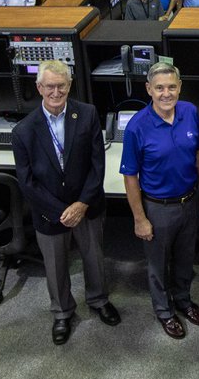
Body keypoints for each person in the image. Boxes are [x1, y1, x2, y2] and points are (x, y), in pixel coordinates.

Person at [12, 60, 120, 345]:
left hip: (87, 206)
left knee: (94, 257)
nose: (56, 92)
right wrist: (62, 211)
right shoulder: (24, 130)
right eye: (50, 86)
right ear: (39, 88)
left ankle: (98, 300)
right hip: (50, 213)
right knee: (56, 265)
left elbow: (98, 165)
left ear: (70, 85)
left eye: (61, 85)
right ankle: (62, 312)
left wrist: (82, 204)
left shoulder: (86, 115)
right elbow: (27, 182)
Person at [120, 63, 199, 339]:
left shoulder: (190, 112)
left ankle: (183, 300)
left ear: (180, 87)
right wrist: (140, 219)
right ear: (149, 89)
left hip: (190, 201)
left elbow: (198, 154)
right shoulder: (137, 126)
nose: (166, 93)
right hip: (158, 208)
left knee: (185, 258)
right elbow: (130, 176)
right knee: (158, 265)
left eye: (171, 87)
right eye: (159, 88)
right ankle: (164, 311)